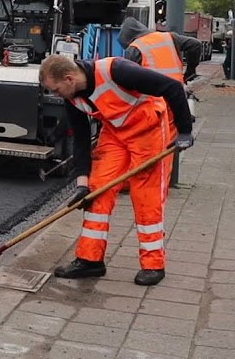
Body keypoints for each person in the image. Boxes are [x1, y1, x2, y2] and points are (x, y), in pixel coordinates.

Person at [39, 54, 195, 286]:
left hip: (148, 131)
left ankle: (153, 265)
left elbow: (171, 87)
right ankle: (90, 261)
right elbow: (81, 140)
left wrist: (184, 131)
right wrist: (82, 184)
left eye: (56, 89)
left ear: (69, 78)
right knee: (96, 191)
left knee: (146, 196)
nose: (55, 94)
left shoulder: (116, 70)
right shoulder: (72, 98)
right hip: (115, 133)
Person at [117, 16, 204, 85]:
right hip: (176, 92)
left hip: (152, 97)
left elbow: (130, 80)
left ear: (128, 40)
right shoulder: (169, 37)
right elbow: (195, 45)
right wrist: (190, 72)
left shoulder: (133, 49)